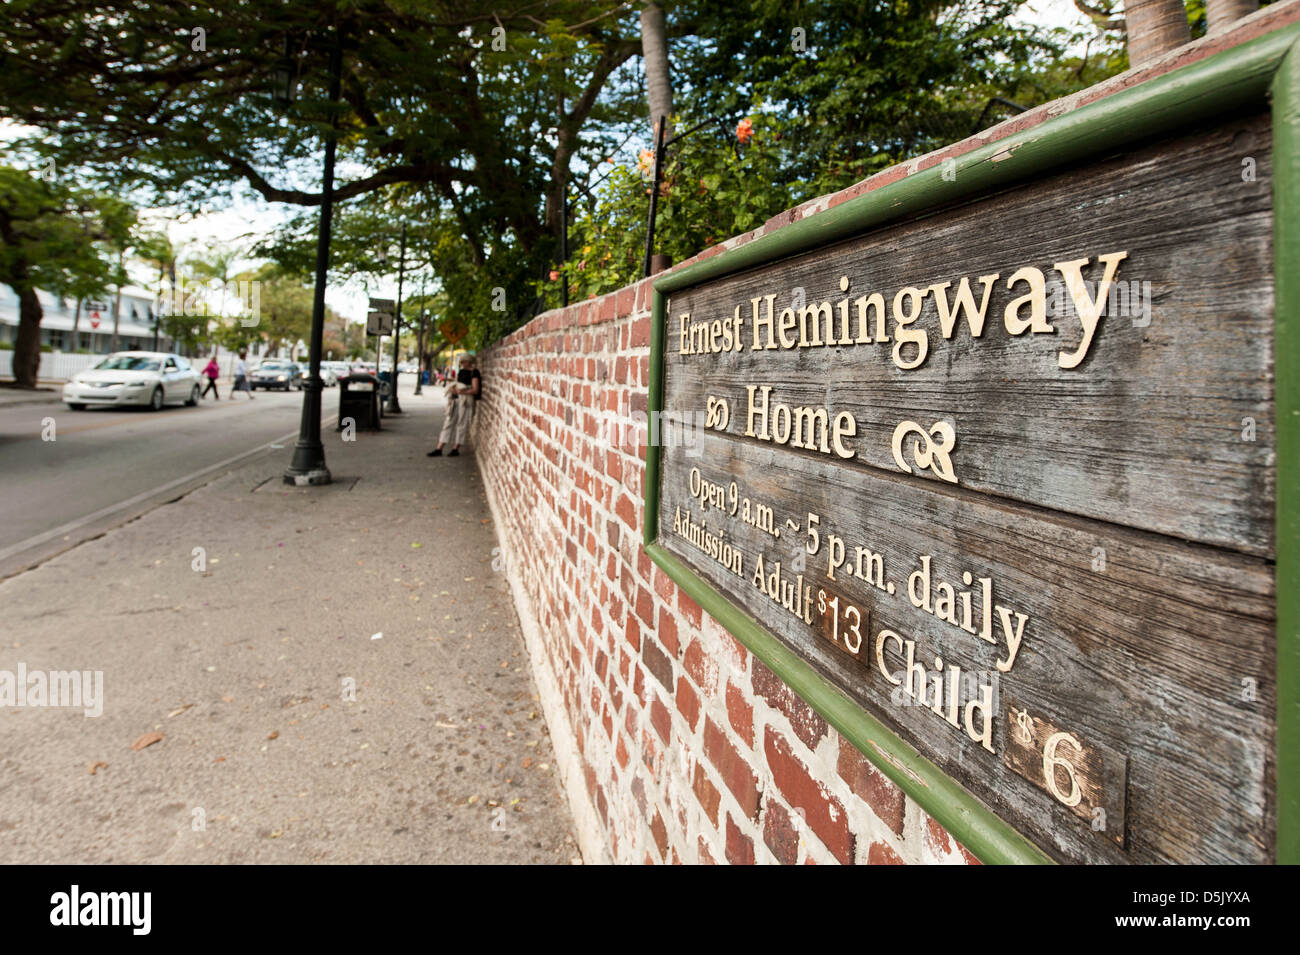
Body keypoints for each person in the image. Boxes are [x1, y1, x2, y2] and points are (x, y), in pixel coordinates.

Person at [428, 354, 481, 457]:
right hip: (456, 400)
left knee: (462, 424)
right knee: (448, 422)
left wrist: (460, 392)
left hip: (466, 401)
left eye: (463, 362)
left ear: (468, 362)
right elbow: (457, 383)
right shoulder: (461, 371)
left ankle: (456, 448)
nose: (462, 364)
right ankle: (439, 448)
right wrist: (452, 390)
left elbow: (475, 390)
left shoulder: (474, 373)